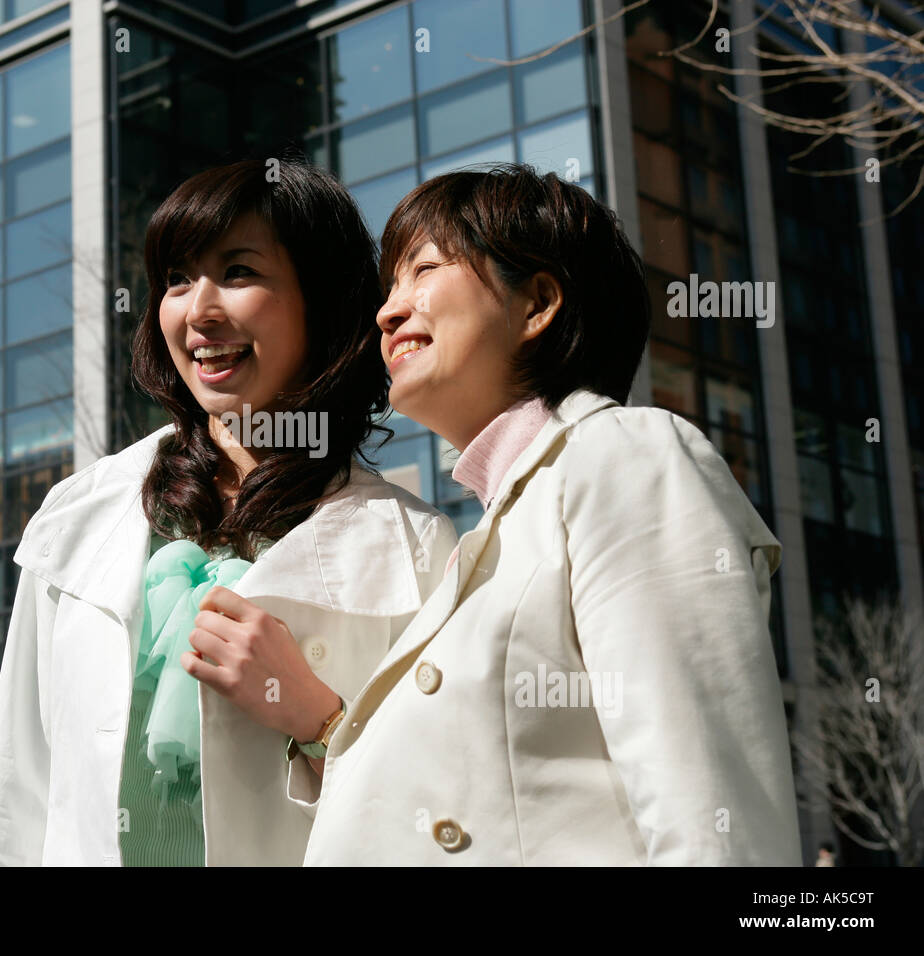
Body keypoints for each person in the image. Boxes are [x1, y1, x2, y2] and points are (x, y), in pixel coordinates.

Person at [0, 158, 456, 866]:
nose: (198, 310)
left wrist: (317, 719)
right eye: (177, 279)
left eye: (240, 272)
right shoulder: (82, 513)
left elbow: (443, 810)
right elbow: (16, 792)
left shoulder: (416, 550)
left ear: (324, 300)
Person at [299, 164, 802, 865]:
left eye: (424, 270)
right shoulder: (490, 534)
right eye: (390, 286)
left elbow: (709, 810)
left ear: (537, 302)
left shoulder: (623, 453)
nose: (388, 311)